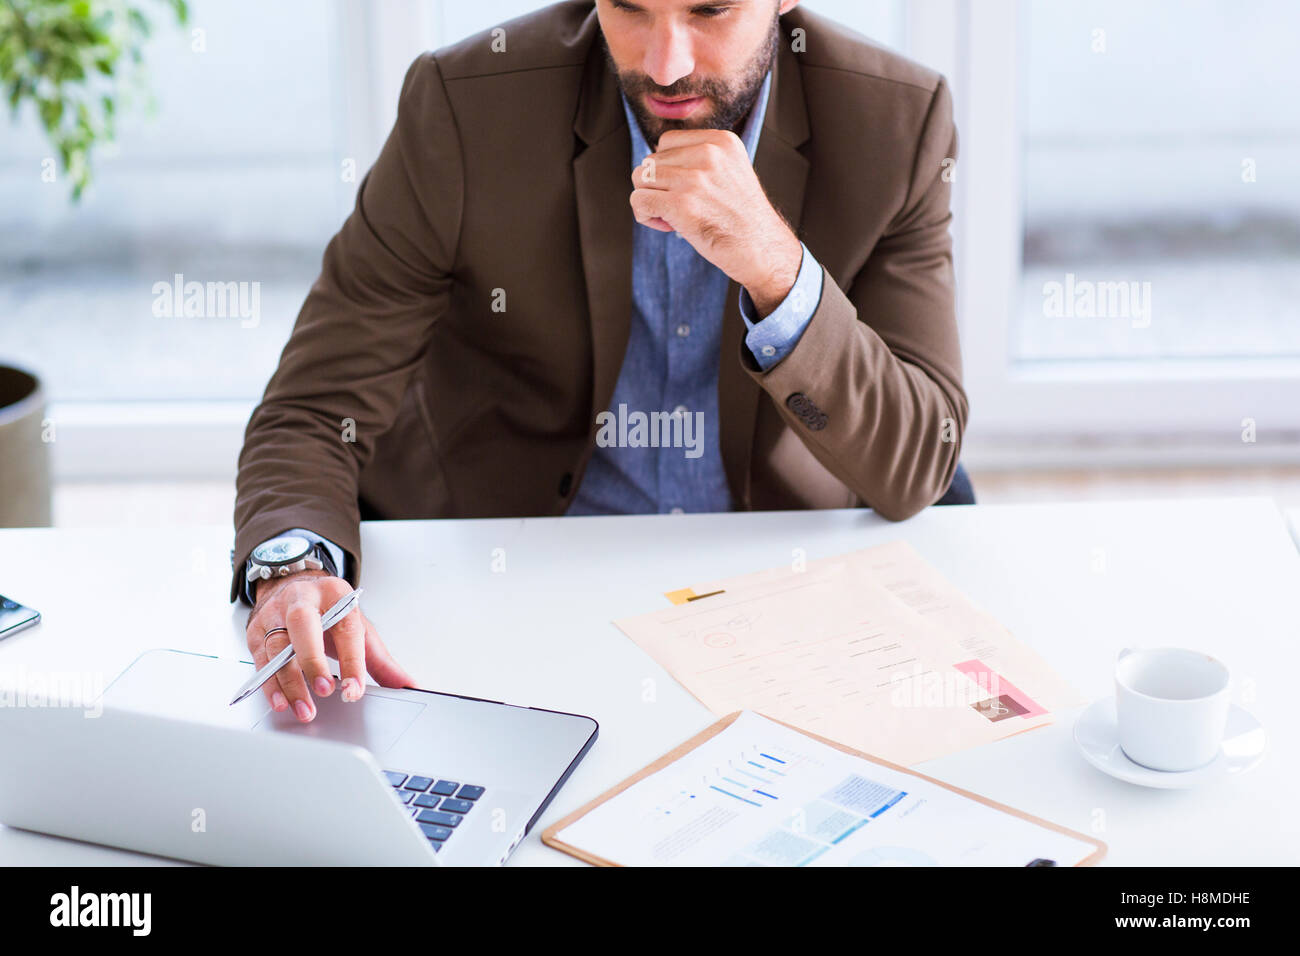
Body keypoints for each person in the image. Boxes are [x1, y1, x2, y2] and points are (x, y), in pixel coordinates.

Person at [232, 0, 967, 723]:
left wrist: (777, 267)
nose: (664, 65)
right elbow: (318, 404)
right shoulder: (465, 106)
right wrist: (290, 570)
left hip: (777, 597)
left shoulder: (898, 122)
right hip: (515, 580)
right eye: (628, 7)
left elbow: (918, 459)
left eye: (710, 10)